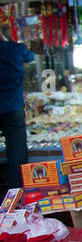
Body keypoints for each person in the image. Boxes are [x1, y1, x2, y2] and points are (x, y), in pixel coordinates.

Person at [0, 30, 34, 191]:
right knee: (17, 149)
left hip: (11, 106)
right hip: (13, 107)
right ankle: (17, 191)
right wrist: (9, 38)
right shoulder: (15, 49)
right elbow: (30, 57)